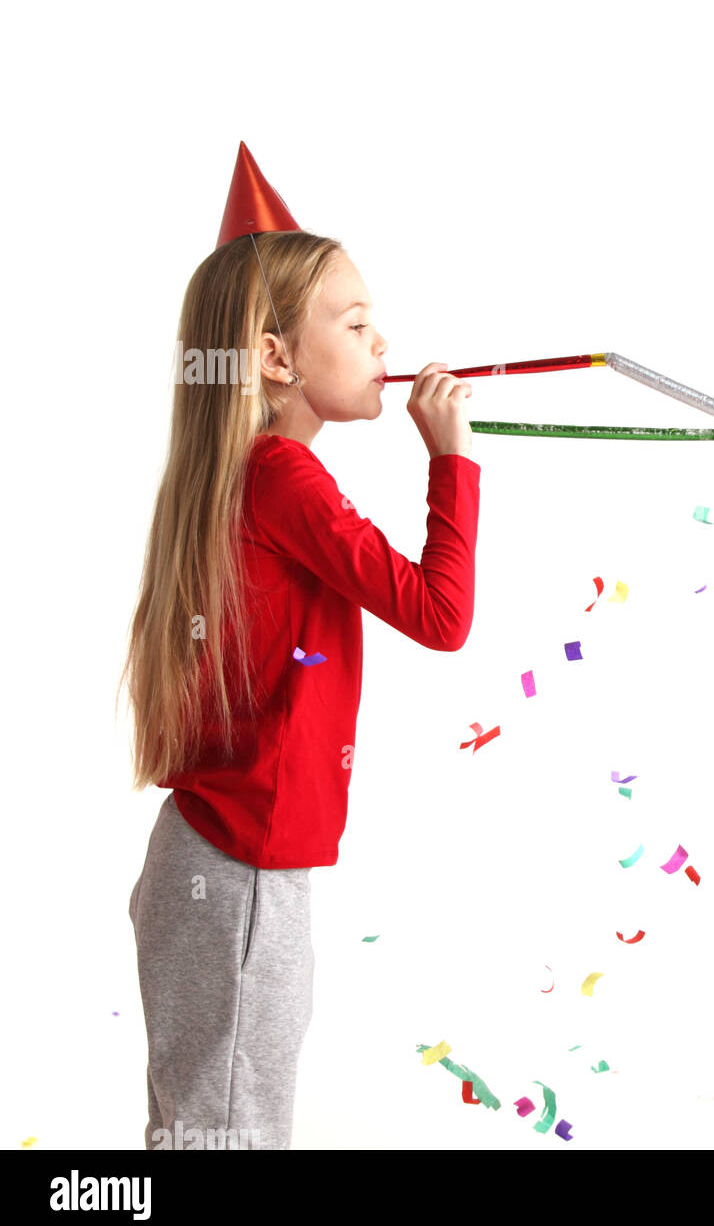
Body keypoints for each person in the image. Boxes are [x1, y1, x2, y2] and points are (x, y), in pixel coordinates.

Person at [117, 141, 481, 1149]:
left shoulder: (246, 473)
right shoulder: (285, 476)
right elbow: (438, 613)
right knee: (227, 1131)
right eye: (355, 324)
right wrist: (450, 463)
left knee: (204, 1125)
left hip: (222, 861)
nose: (381, 343)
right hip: (237, 872)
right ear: (276, 357)